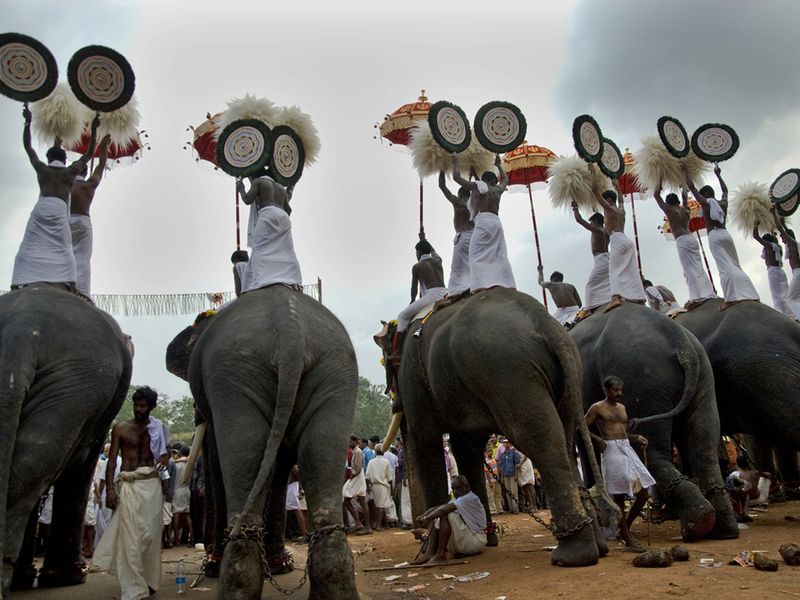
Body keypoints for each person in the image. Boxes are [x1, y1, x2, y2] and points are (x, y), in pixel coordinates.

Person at [93, 386, 170, 600]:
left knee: (150, 536)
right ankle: (133, 585)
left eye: (143, 406)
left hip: (151, 485)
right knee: (130, 536)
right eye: (136, 405)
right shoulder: (120, 428)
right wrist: (110, 489)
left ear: (151, 407)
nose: (138, 409)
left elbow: (164, 455)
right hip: (129, 486)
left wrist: (165, 458)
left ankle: (148, 579)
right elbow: (111, 462)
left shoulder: (158, 428)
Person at [11, 109, 100, 291]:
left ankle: (18, 281)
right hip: (59, 210)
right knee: (65, 247)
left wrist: (27, 123)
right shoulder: (70, 172)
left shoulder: (42, 169)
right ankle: (70, 282)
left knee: (29, 244)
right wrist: (94, 129)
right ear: (65, 159)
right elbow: (89, 153)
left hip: (42, 208)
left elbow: (28, 147)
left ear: (48, 157)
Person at [585, 376, 655, 551]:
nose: (619, 393)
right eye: (615, 390)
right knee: (619, 496)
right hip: (611, 450)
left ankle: (624, 529)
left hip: (626, 448)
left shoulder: (622, 408)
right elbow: (582, 428)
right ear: (606, 390)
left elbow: (622, 432)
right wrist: (597, 440)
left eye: (620, 390)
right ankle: (627, 538)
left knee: (643, 492)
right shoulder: (597, 407)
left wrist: (636, 438)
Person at [685, 165, 759, 309]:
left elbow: (692, 187)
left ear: (705, 194)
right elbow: (725, 191)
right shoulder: (722, 203)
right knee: (735, 265)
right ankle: (751, 294)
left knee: (724, 267)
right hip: (726, 235)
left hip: (714, 236)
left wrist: (686, 172)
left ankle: (731, 298)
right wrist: (718, 175)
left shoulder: (706, 203)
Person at [452, 153, 515, 291]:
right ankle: (508, 284)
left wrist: (456, 162)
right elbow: (505, 179)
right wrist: (498, 165)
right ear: (493, 181)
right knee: (500, 255)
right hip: (497, 223)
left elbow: (456, 177)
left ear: (484, 179)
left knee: (475, 256)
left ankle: (479, 286)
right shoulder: (497, 189)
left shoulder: (476, 187)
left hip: (483, 222)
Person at [236, 169, 302, 293]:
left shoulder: (258, 181)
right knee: (287, 250)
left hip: (267, 214)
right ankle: (293, 278)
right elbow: (288, 209)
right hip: (283, 217)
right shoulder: (280, 187)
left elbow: (247, 199)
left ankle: (260, 279)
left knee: (259, 248)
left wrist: (241, 188)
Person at [653, 184, 717, 306]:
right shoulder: (685, 209)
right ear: (677, 201)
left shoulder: (669, 211)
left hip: (682, 240)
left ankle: (697, 297)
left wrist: (658, 182)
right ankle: (707, 292)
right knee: (698, 266)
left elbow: (656, 195)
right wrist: (683, 188)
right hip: (691, 239)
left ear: (668, 203)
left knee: (689, 270)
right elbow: (685, 199)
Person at [69, 133, 111, 298]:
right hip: (83, 222)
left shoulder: (66, 183)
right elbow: (101, 165)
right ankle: (82, 292)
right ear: (86, 172)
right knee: (83, 260)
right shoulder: (90, 184)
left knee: (63, 253)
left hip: (66, 221)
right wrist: (104, 147)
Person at [411, 475, 487, 565]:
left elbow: (444, 510)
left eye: (458, 488)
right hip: (466, 541)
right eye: (453, 489)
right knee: (437, 514)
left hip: (476, 542)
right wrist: (424, 515)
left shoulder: (469, 498)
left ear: (466, 487)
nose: (455, 492)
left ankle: (440, 555)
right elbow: (438, 508)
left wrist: (426, 518)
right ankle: (429, 553)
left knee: (444, 514)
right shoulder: (458, 499)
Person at [595, 180, 646, 311]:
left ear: (609, 199)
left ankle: (615, 298)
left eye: (605, 200)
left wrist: (593, 179)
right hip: (626, 240)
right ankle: (640, 297)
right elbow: (621, 200)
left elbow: (596, 193)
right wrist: (618, 187)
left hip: (617, 239)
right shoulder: (621, 210)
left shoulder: (608, 208)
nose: (603, 203)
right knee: (631, 269)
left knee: (614, 269)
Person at [392, 239, 447, 357]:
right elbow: (433, 251)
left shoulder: (417, 266)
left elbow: (414, 288)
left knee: (403, 316)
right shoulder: (438, 260)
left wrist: (412, 301)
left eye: (416, 252)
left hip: (432, 295)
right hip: (446, 293)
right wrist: (425, 240)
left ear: (419, 252)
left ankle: (396, 351)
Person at [571, 203, 612, 314]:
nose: (590, 224)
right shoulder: (605, 231)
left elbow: (579, 220)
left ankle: (588, 310)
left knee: (590, 286)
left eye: (592, 222)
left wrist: (575, 208)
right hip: (607, 259)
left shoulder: (597, 229)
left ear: (596, 221)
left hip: (601, 260)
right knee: (606, 284)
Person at [437, 171, 474, 293]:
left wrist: (442, 169)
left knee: (457, 270)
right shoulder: (475, 203)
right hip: (475, 237)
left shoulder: (458, 202)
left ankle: (455, 293)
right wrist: (471, 177)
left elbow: (442, 186)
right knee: (474, 265)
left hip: (463, 238)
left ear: (460, 195)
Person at [753, 228, 795, 318]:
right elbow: (774, 239)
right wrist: (773, 233)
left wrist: (756, 225)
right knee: (783, 292)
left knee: (777, 295)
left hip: (773, 272)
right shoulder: (777, 246)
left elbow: (755, 236)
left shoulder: (770, 246)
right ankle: (790, 312)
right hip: (779, 271)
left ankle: (786, 314)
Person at [342, 435, 371, 535]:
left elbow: (357, 469)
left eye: (350, 441)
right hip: (358, 477)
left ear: (355, 442)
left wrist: (350, 478)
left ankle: (359, 524)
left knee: (346, 501)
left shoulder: (357, 452)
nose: (348, 443)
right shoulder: (356, 451)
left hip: (357, 477)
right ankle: (365, 526)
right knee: (362, 500)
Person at [776, 214, 800, 317]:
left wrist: (774, 215)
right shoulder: (794, 244)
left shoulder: (792, 243)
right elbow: (786, 232)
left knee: (790, 299)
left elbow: (780, 229)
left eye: (782, 237)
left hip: (798, 274)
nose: (782, 239)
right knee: (795, 298)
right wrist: (784, 224)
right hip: (797, 273)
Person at [365, 444, 393, 531]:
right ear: (383, 452)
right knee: (382, 506)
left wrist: (368, 486)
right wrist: (391, 489)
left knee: (375, 505)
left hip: (373, 486)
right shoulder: (386, 462)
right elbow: (390, 478)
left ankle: (374, 524)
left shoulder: (371, 462)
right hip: (382, 486)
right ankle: (379, 525)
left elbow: (367, 476)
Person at [172, 445, 194, 546]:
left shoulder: (176, 465)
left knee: (176, 514)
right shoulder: (189, 465)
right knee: (187, 514)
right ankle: (192, 537)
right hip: (186, 490)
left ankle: (177, 539)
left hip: (177, 490)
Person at [497, 438, 521, 514]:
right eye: (504, 442)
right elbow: (501, 466)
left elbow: (517, 464)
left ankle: (515, 508)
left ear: (509, 443)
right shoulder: (502, 454)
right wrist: (501, 477)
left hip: (512, 474)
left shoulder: (513, 453)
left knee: (514, 492)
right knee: (508, 492)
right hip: (505, 474)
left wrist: (516, 475)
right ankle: (511, 509)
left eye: (507, 442)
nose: (506, 444)